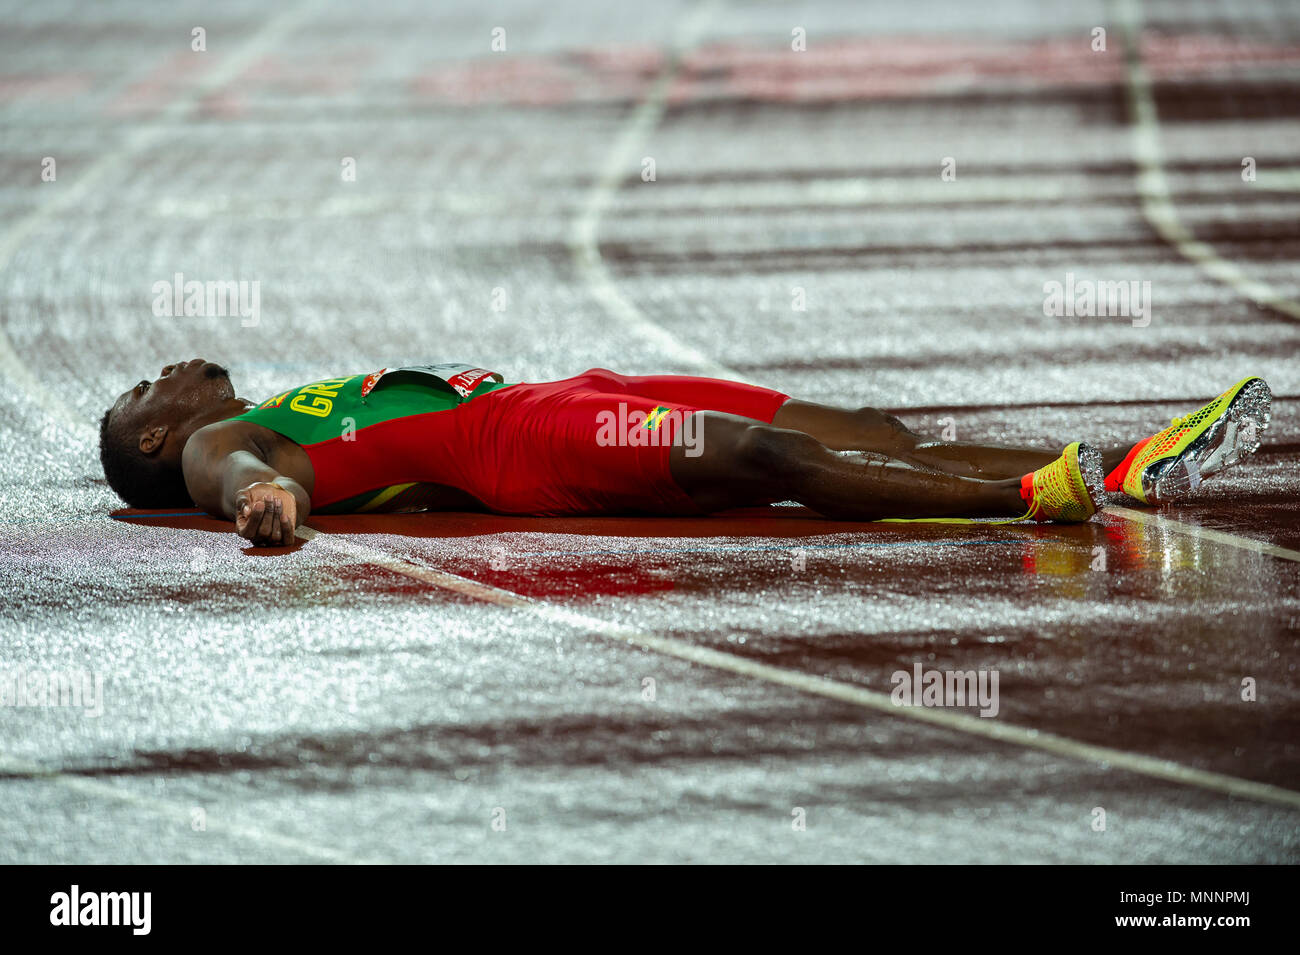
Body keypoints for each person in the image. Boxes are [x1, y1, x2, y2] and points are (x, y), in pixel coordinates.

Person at [98, 360, 1271, 547]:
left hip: (558, 386)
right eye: (154, 381)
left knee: (867, 432)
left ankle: (1126, 461)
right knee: (766, 453)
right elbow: (243, 484)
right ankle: (1040, 497)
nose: (182, 362)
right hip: (520, 438)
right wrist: (256, 499)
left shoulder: (262, 407)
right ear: (157, 431)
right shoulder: (215, 440)